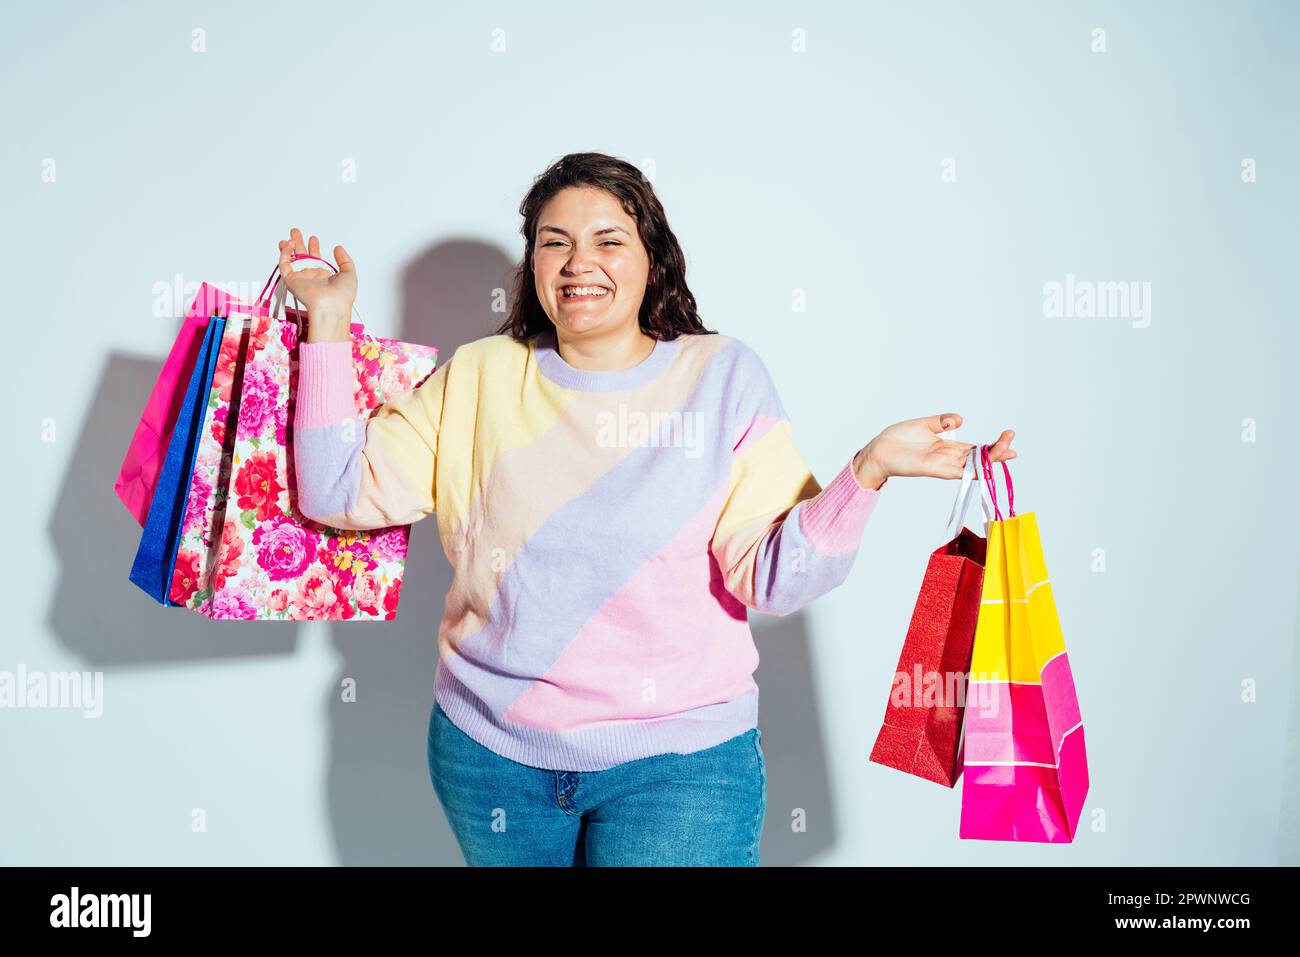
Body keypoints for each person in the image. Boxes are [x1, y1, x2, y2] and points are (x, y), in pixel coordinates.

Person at [279, 151, 1016, 866]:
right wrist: (330, 325)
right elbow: (337, 492)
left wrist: (870, 469)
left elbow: (775, 579)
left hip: (679, 767)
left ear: (652, 259)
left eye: (608, 240)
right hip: (490, 757)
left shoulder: (722, 375)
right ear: (531, 265)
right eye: (554, 242)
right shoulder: (478, 374)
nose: (577, 263)